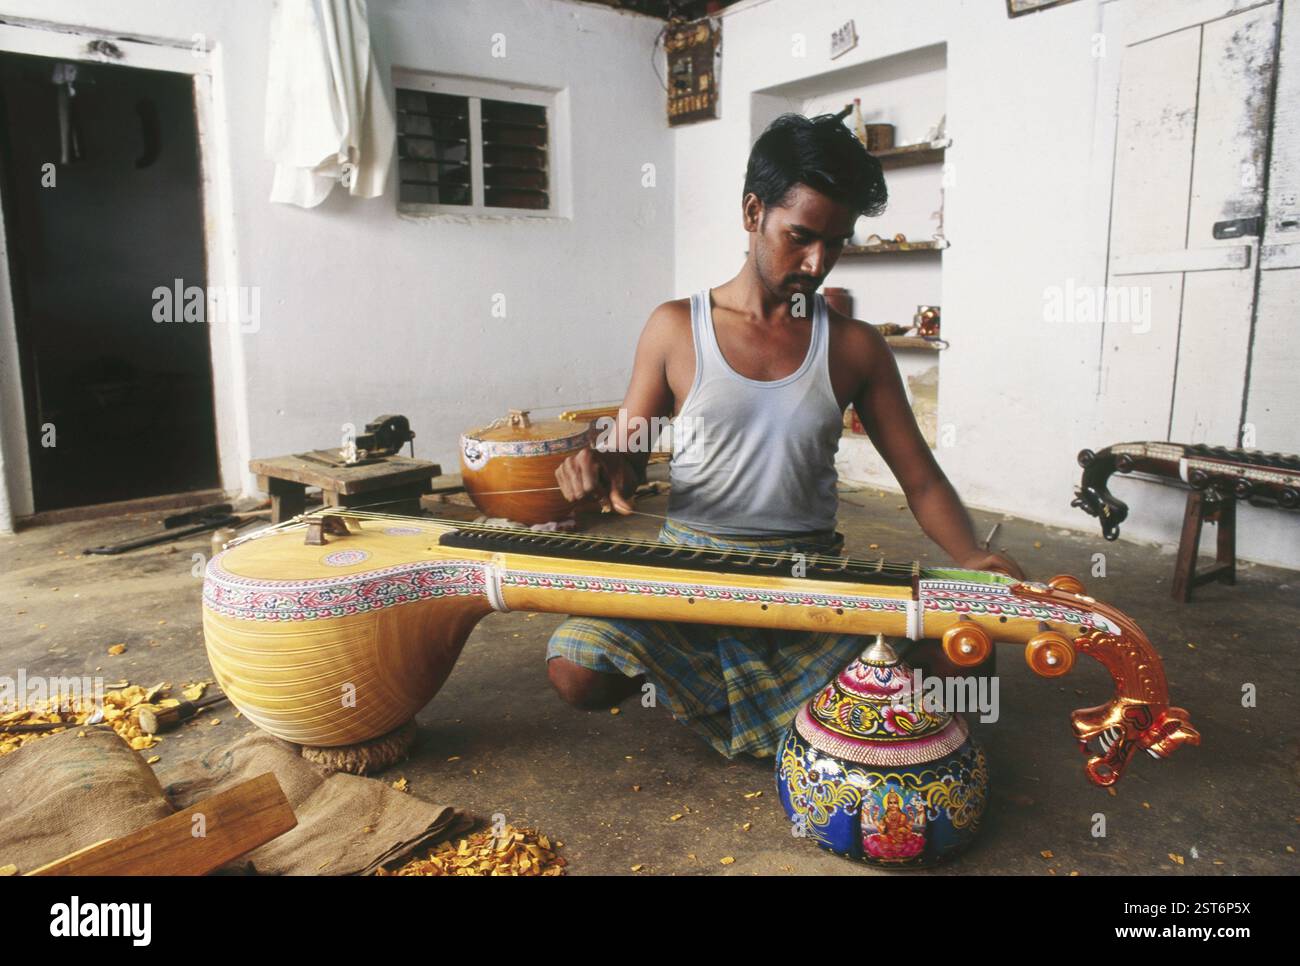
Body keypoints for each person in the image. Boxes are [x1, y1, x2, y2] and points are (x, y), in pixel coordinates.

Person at [546, 112, 1023, 759]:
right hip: (692, 576)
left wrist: (969, 557)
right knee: (577, 669)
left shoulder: (855, 348)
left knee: (966, 659)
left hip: (810, 584)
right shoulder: (676, 329)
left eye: (837, 242)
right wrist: (602, 464)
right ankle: (808, 705)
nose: (817, 261)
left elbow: (921, 478)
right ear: (753, 212)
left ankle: (753, 696)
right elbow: (629, 449)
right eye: (801, 236)